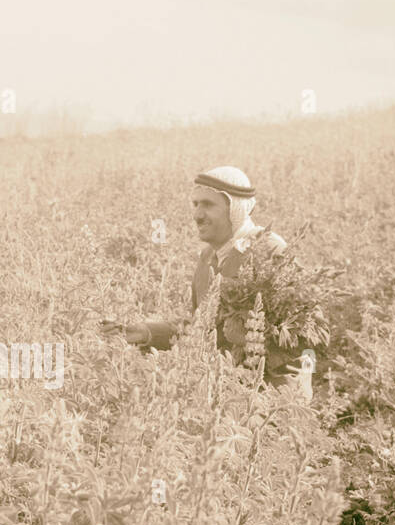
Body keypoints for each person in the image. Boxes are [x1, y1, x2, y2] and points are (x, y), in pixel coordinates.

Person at [102, 166, 308, 390]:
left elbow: (304, 335)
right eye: (195, 204)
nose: (197, 215)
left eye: (208, 205)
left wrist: (250, 338)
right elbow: (199, 327)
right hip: (224, 387)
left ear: (235, 209)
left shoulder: (269, 249)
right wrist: (146, 332)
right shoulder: (207, 257)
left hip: (272, 396)